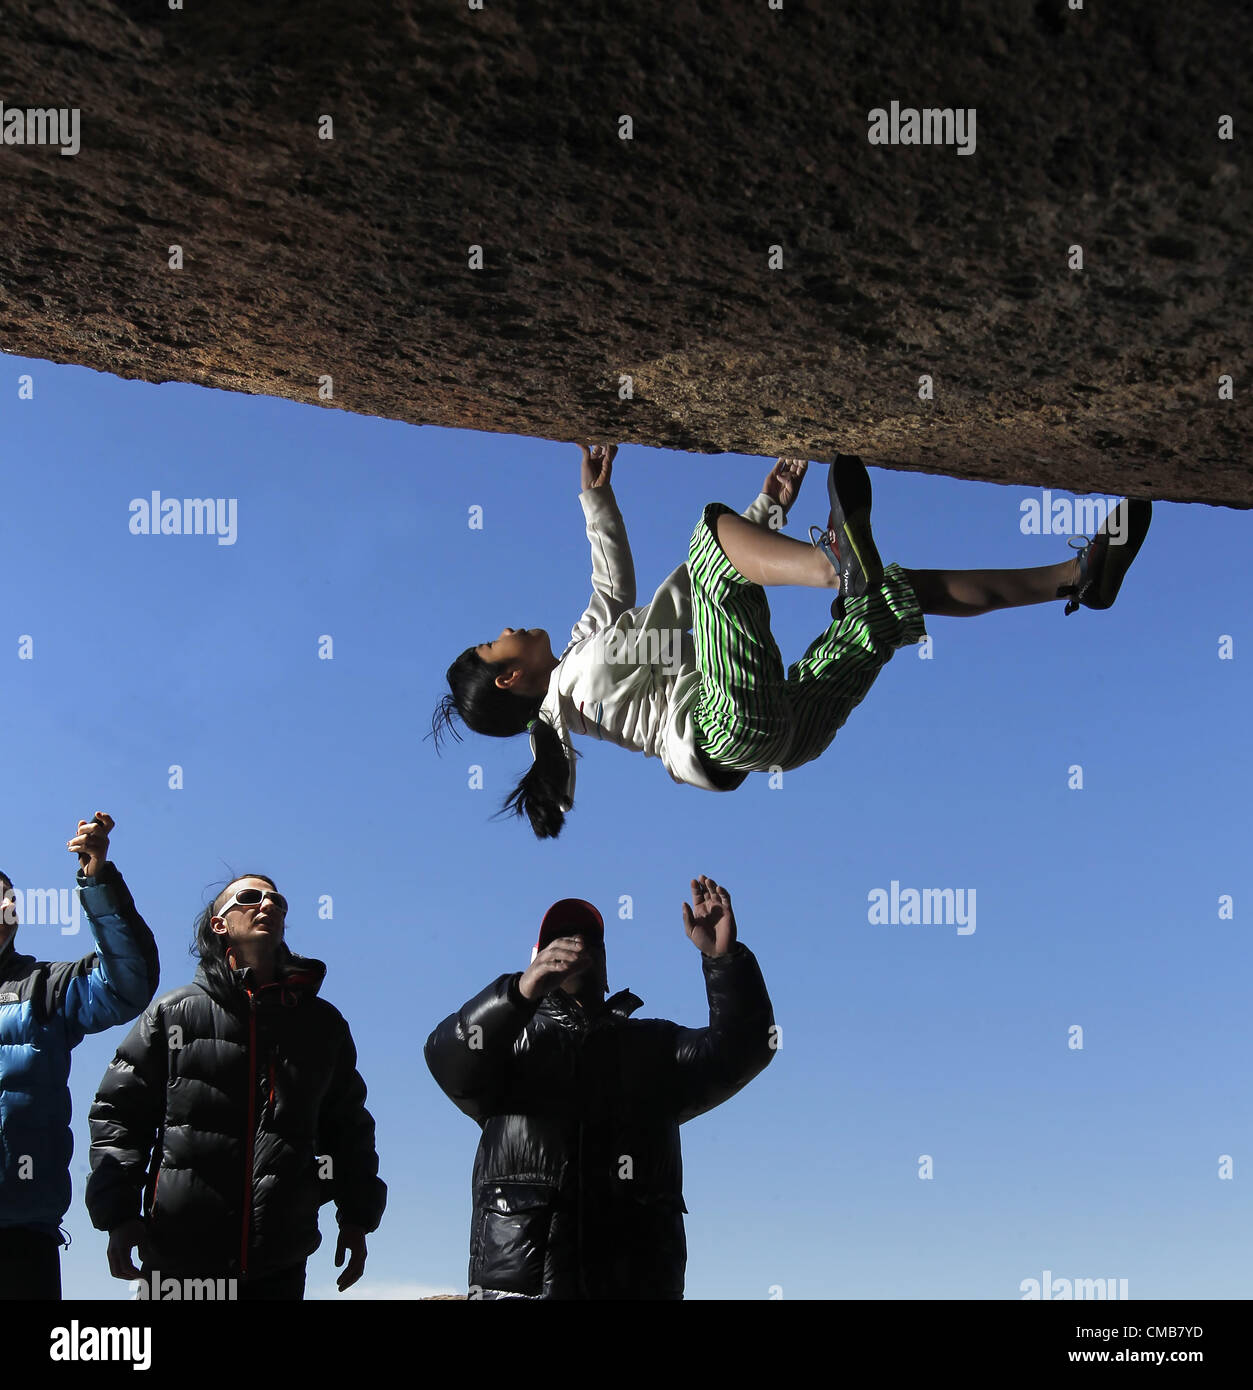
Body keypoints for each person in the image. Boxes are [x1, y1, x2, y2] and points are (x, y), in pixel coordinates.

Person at [432, 445, 1152, 838]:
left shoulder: (577, 671)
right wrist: (765, 512)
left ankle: (1076, 577)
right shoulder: (580, 683)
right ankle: (832, 564)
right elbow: (677, 600)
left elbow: (608, 588)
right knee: (711, 539)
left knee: (892, 597)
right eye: (494, 643)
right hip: (724, 724)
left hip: (786, 739)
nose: (505, 630)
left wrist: (596, 498)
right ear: (507, 679)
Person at [425, 875, 775, 1299]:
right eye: (559, 937)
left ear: (606, 968)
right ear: (535, 958)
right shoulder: (506, 1045)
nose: (576, 942)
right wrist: (518, 994)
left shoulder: (656, 1047)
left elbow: (745, 1050)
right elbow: (446, 1055)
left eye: (591, 938)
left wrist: (726, 961)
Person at [86, 874, 386, 1300]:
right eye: (249, 898)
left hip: (279, 1264)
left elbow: (349, 1128)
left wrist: (357, 1217)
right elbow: (117, 1114)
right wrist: (118, 1215)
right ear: (219, 924)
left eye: (277, 900)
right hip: (179, 1259)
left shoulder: (322, 1025)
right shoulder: (172, 1014)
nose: (268, 905)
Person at [0, 812, 159, 1300]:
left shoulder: (45, 987)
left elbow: (126, 985)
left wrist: (98, 881)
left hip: (20, 1237)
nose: (7, 903)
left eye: (10, 896)